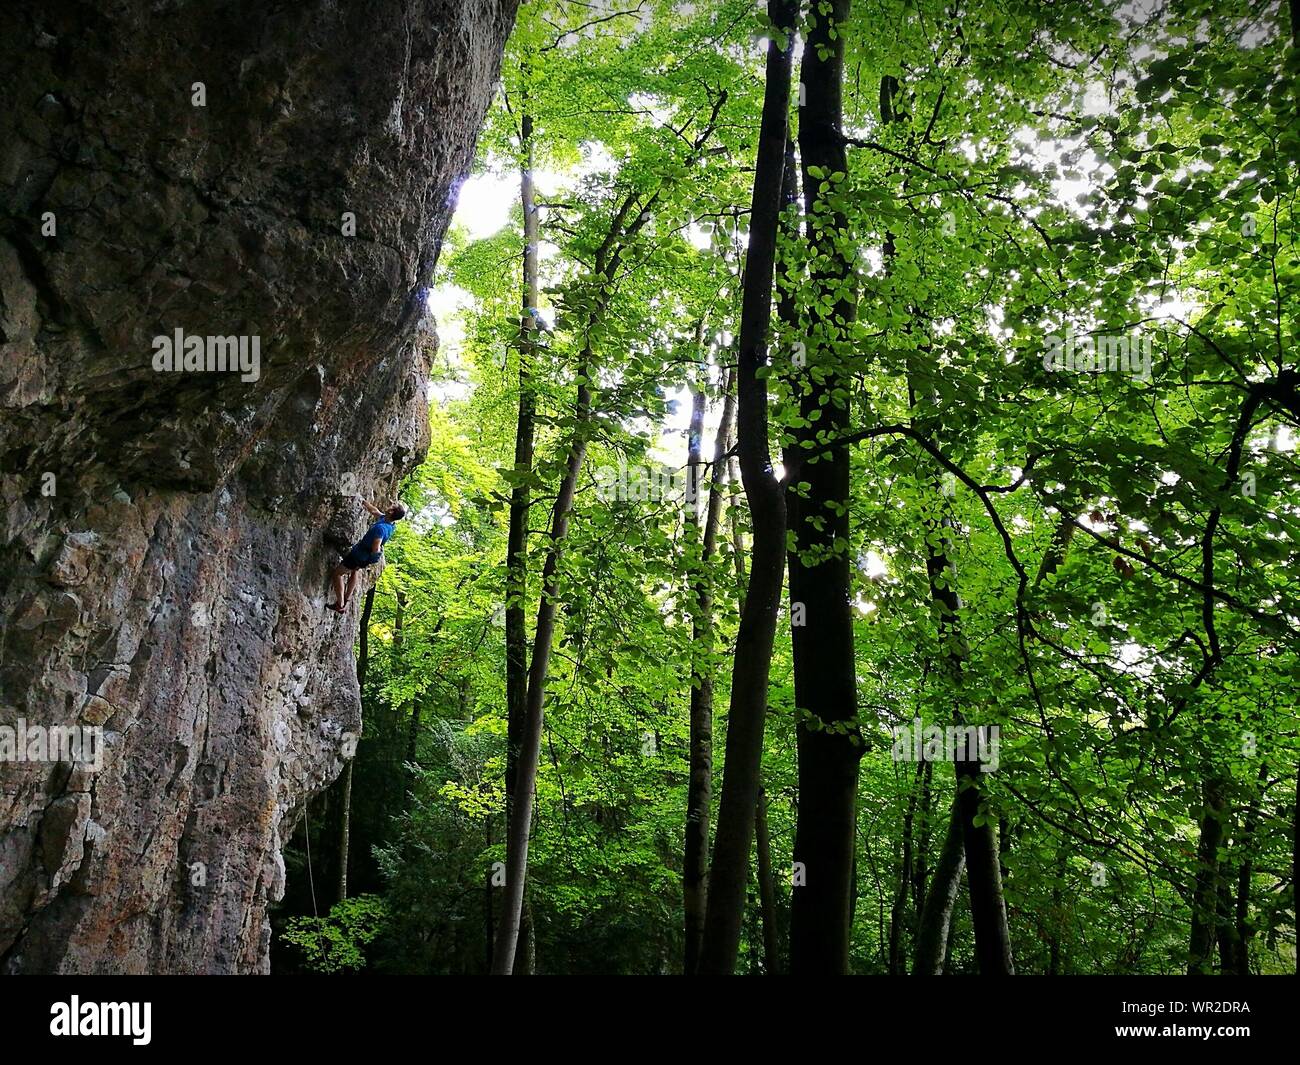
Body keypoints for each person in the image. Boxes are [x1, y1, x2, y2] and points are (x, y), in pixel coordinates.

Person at [329, 499, 405, 613]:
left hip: (359, 555)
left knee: (337, 574)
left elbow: (376, 547)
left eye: (393, 505)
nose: (390, 504)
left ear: (391, 512)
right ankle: (347, 598)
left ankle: (340, 604)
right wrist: (363, 502)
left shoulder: (381, 528)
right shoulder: (389, 523)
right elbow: (375, 511)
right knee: (355, 571)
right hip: (363, 556)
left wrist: (371, 559)